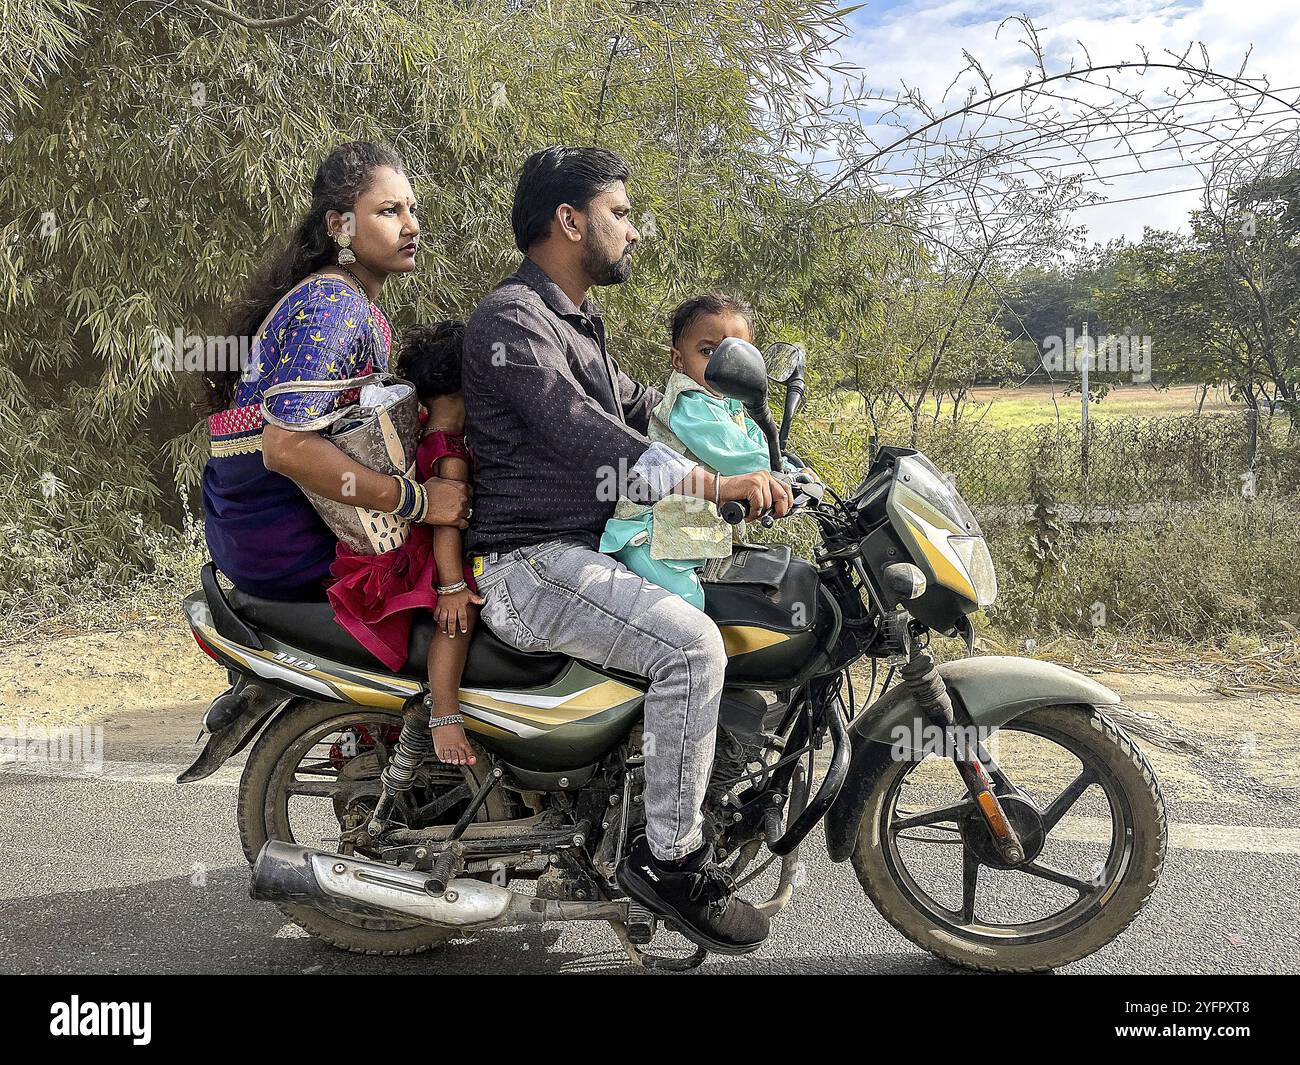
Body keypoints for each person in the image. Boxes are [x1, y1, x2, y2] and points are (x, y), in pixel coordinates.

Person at [461, 145, 792, 955]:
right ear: (570, 221)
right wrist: (710, 489)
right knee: (691, 648)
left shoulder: (573, 320)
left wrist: (772, 463)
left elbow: (642, 409)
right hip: (532, 563)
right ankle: (669, 861)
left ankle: (648, 803)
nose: (633, 232)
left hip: (578, 555)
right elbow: (582, 432)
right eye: (621, 214)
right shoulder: (513, 319)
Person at [202, 141, 470, 602]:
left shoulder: (354, 304)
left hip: (257, 527)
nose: (412, 226)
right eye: (389, 211)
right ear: (339, 226)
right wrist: (421, 502)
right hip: (279, 536)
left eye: (412, 208)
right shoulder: (333, 305)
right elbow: (284, 448)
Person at [325, 322, 482, 766]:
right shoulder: (450, 450)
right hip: (434, 558)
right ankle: (445, 715)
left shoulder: (422, 435)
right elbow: (447, 524)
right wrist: (452, 587)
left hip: (414, 549)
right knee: (458, 622)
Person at [600, 292, 801, 609]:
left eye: (738, 356)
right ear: (679, 360)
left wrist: (790, 466)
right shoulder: (690, 404)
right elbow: (733, 455)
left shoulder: (730, 403)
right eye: (708, 352)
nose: (724, 366)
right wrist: (785, 474)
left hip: (683, 539)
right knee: (690, 611)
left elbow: (756, 441)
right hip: (648, 538)